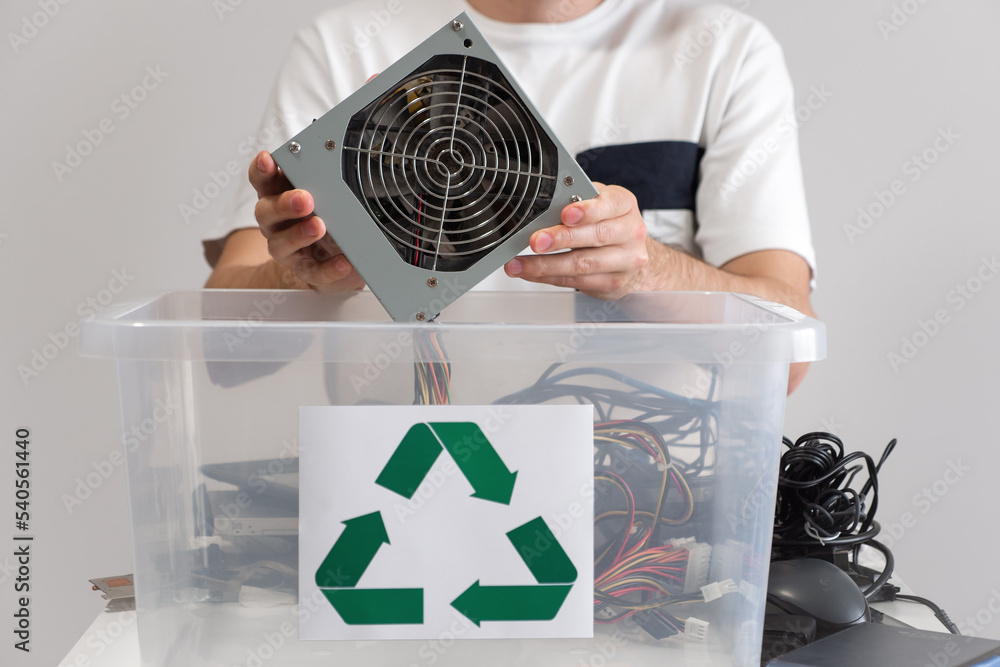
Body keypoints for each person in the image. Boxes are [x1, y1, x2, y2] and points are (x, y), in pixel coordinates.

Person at [204, 0, 817, 392]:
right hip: (399, 501)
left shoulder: (723, 50)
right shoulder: (345, 43)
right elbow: (220, 351)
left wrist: (648, 271)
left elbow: (787, 353)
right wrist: (307, 277)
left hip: (643, 513)